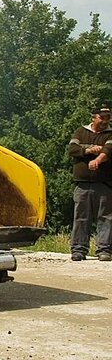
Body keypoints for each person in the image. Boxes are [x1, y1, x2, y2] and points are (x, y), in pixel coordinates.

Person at [67, 105, 112, 262]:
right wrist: (90, 150)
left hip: (104, 183)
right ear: (93, 117)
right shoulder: (80, 131)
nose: (106, 120)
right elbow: (72, 149)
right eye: (102, 117)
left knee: (106, 217)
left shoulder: (110, 134)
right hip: (82, 183)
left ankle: (104, 250)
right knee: (81, 217)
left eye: (108, 117)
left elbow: (108, 150)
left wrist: (97, 159)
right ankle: (79, 250)